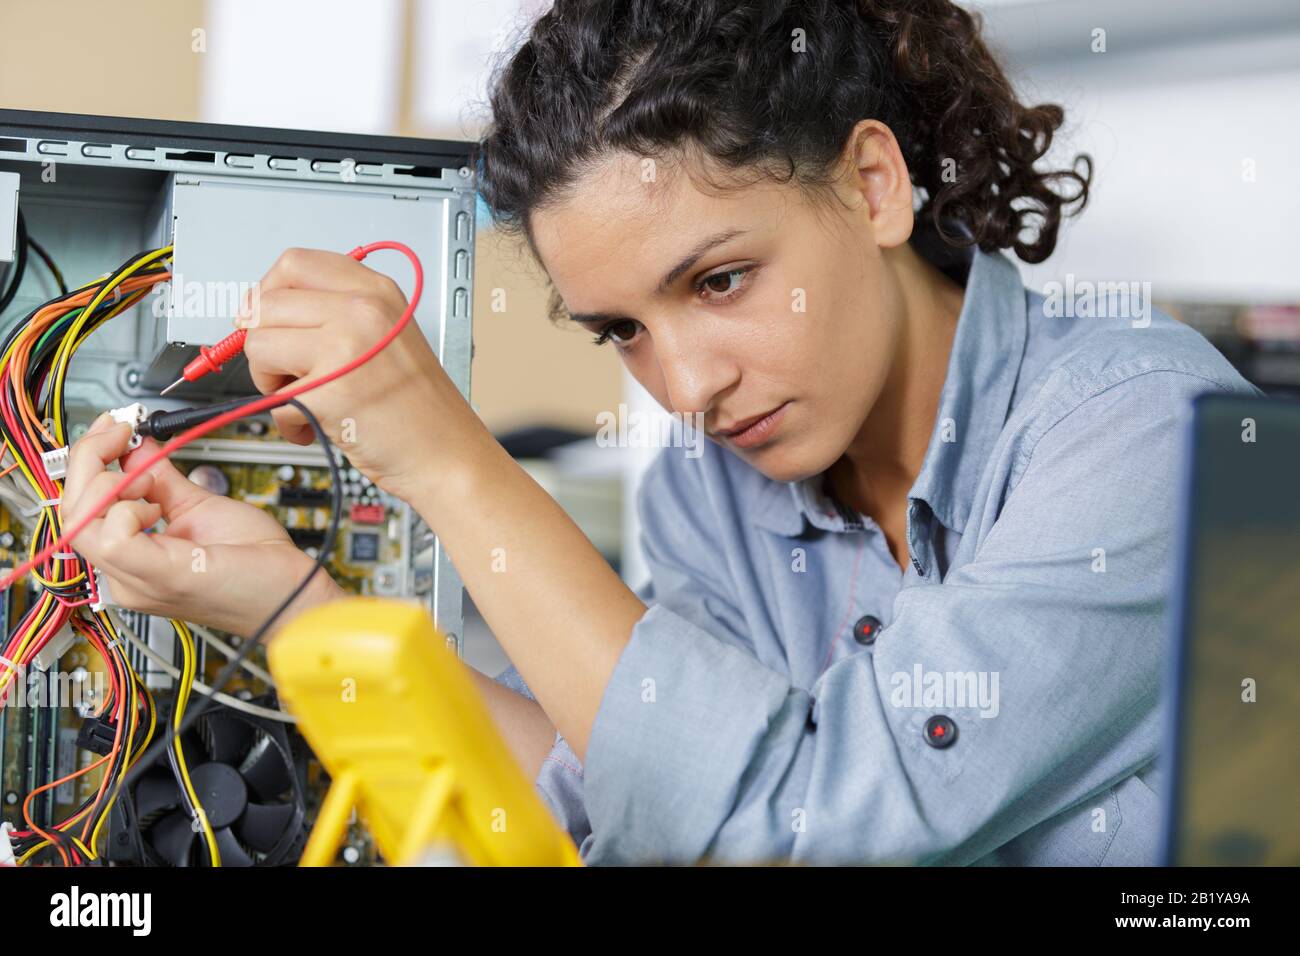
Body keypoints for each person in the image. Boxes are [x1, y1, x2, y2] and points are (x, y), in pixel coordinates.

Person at [61, 0, 1262, 865]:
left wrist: (445, 457)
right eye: (620, 331)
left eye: (723, 280)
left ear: (873, 185)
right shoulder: (720, 486)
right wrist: (280, 598)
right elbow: (610, 809)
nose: (682, 385)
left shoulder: (1149, 436)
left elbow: (799, 823)